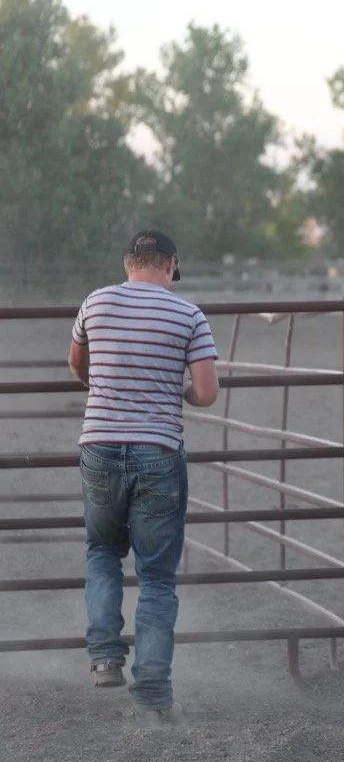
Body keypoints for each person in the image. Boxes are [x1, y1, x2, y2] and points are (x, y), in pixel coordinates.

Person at [69, 229, 219, 724]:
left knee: (102, 551)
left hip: (100, 444)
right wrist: (173, 392)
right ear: (172, 264)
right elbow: (206, 393)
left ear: (127, 261)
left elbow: (79, 365)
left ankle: (106, 656)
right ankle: (153, 690)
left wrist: (111, 383)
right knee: (156, 576)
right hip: (158, 449)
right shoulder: (188, 314)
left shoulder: (95, 301)